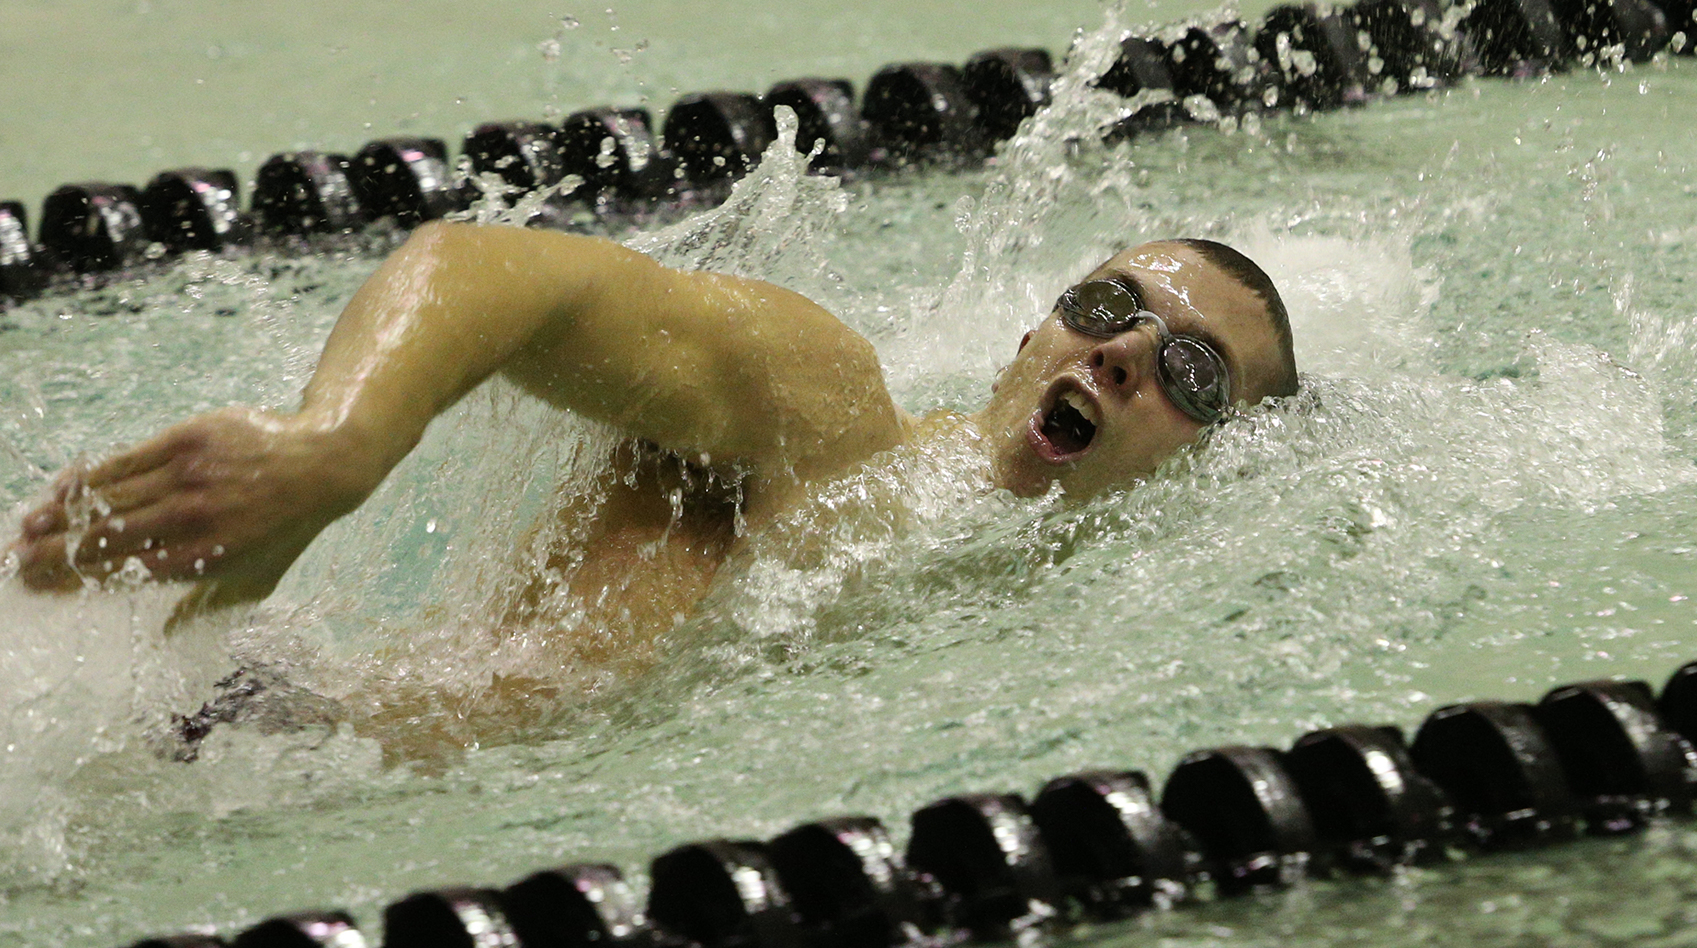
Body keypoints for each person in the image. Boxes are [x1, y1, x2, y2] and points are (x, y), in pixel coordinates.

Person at [8, 222, 1298, 664]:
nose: (1122, 352)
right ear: (1032, 335)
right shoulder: (831, 417)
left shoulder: (1067, 625)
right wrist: (338, 446)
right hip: (248, 742)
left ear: (1219, 455)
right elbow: (497, 272)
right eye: (1105, 308)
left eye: (1191, 369)